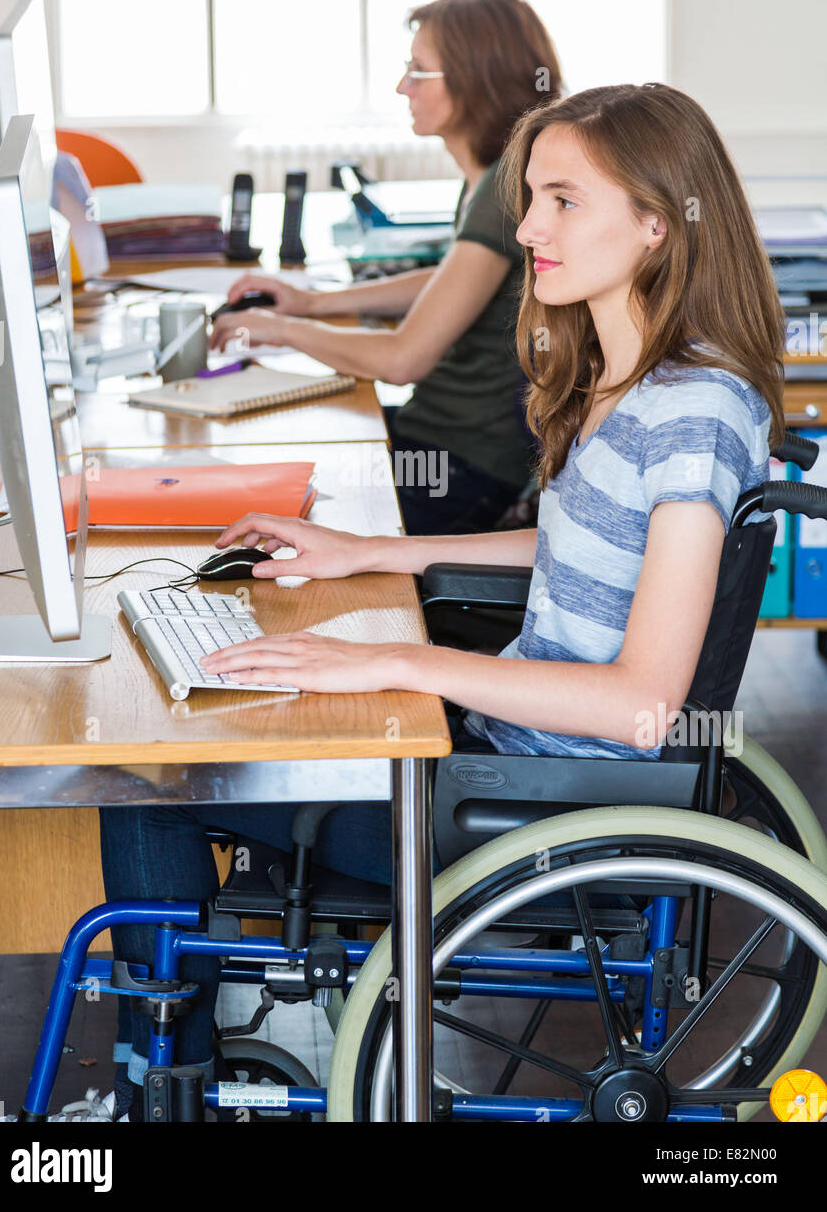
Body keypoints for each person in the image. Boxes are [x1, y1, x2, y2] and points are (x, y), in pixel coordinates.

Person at [100, 82, 785, 1117]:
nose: (526, 228)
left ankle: (165, 1084)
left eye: (560, 201)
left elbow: (640, 701)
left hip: (531, 805)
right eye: (528, 200)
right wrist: (372, 550)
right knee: (218, 717)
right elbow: (577, 545)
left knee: (162, 773)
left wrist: (395, 659)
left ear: (655, 222)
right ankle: (183, 1056)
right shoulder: (633, 377)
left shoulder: (689, 414)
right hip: (504, 755)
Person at [210, 0, 563, 536]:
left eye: (419, 72)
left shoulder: (503, 187)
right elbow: (454, 279)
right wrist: (315, 302)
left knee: (269, 503)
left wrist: (281, 329)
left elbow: (402, 361)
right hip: (439, 437)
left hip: (460, 465)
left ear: (475, 80)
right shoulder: (490, 176)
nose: (403, 87)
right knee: (283, 458)